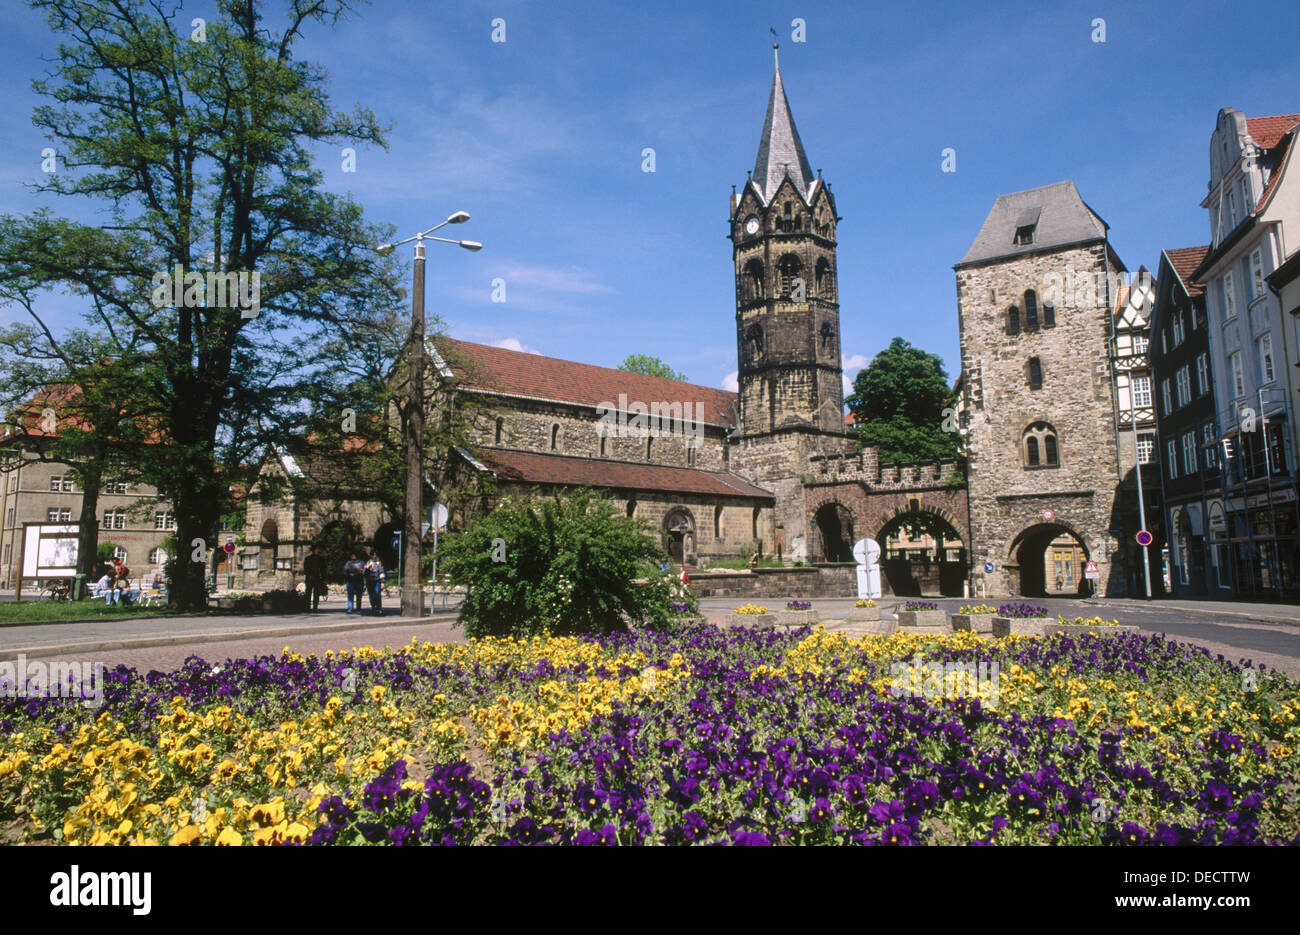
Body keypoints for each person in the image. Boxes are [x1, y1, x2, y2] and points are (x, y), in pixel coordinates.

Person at [303, 546, 326, 612]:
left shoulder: (321, 559)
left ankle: (315, 607)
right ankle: (307, 607)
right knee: (308, 593)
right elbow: (306, 568)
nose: (317, 551)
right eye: (316, 550)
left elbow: (323, 568)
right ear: (313, 551)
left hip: (318, 577)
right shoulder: (308, 558)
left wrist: (323, 577)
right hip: (310, 578)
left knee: (316, 593)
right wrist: (309, 575)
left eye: (317, 549)